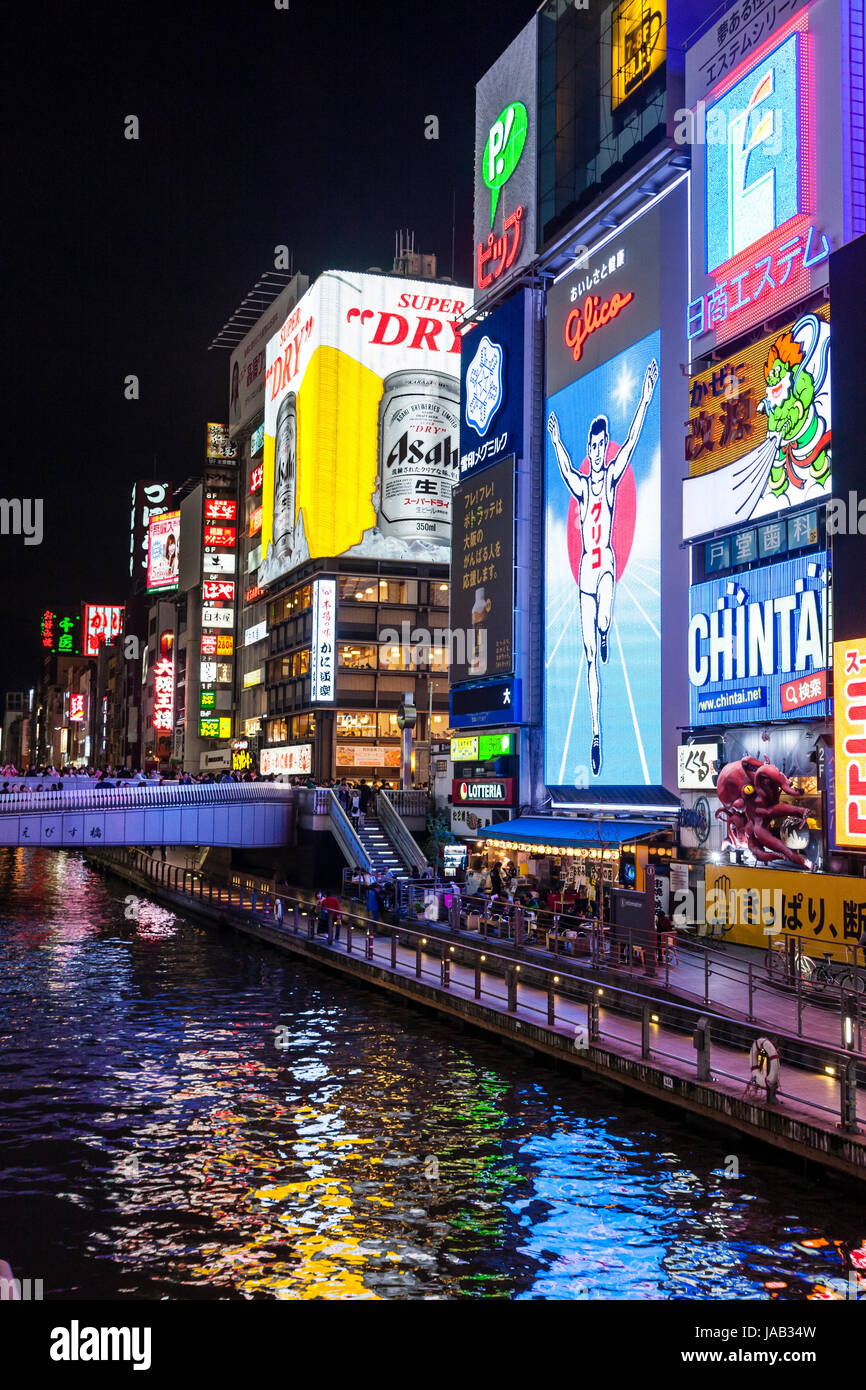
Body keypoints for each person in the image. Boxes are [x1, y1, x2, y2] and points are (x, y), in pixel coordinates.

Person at [547, 355, 658, 776]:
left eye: (600, 445)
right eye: (591, 447)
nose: (596, 453)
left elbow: (631, 440)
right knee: (589, 657)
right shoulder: (580, 484)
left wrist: (646, 397)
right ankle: (596, 734)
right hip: (584, 579)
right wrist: (557, 440)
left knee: (605, 620)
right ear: (587, 449)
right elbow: (561, 468)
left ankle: (607, 630)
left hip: (605, 565)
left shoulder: (610, 478)